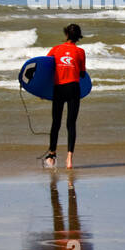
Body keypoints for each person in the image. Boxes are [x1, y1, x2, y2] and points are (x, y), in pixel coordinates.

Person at [44, 23, 87, 169]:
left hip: (59, 88)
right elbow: (82, 74)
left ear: (66, 34)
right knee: (71, 124)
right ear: (78, 37)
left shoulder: (56, 49)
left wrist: (42, 91)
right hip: (73, 88)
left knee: (56, 123)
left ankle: (52, 155)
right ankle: (69, 159)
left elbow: (45, 68)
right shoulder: (80, 52)